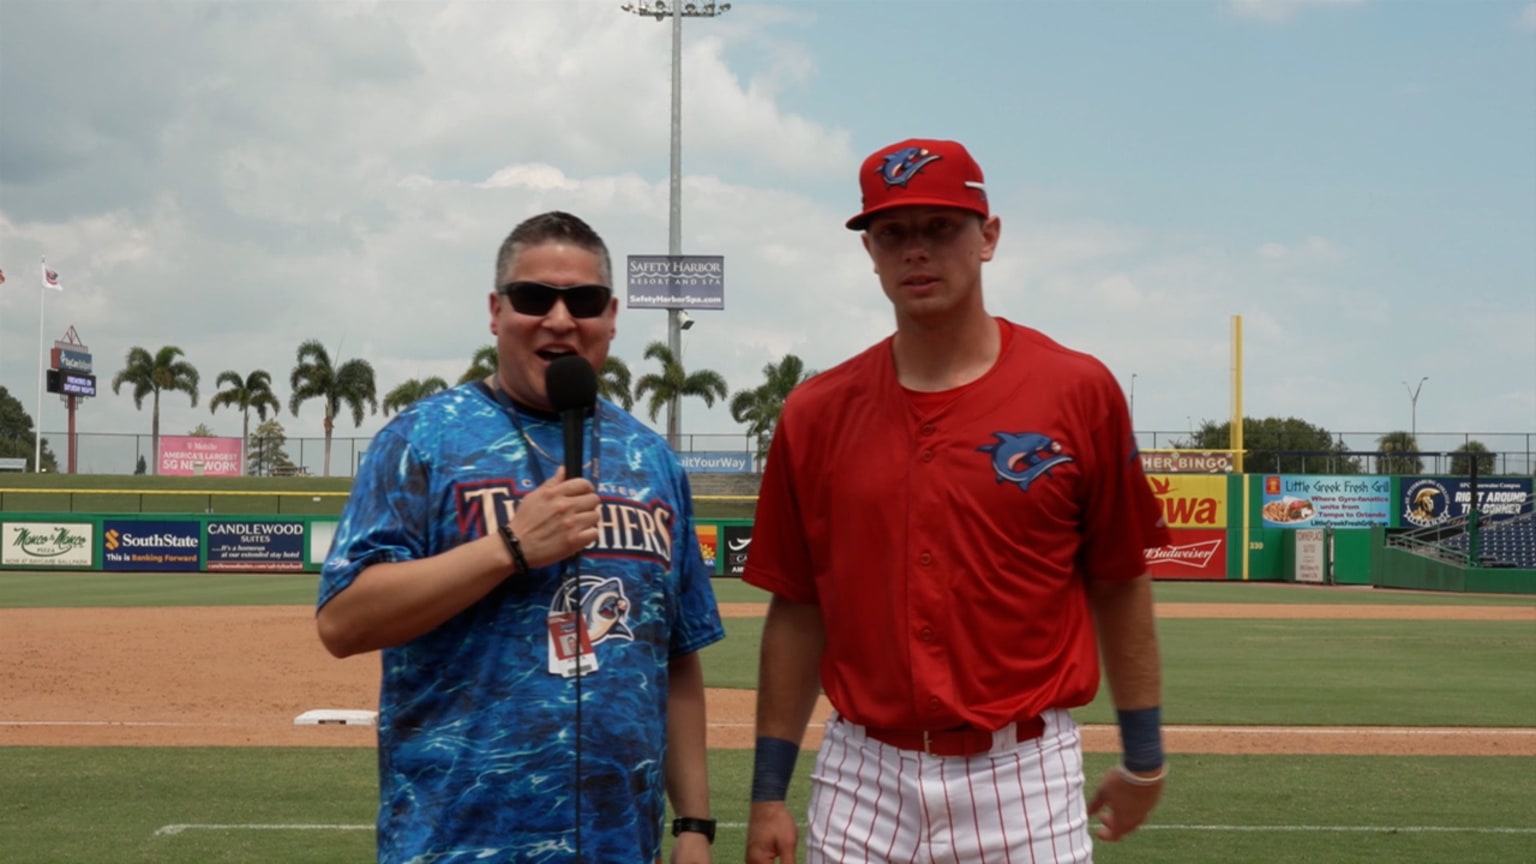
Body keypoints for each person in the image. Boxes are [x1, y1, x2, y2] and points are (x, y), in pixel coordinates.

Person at [743, 139, 1171, 864]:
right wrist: (767, 795)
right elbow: (797, 608)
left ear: (989, 237)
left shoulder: (1077, 391)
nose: (917, 251)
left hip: (1022, 774)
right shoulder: (815, 412)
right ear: (870, 252)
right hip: (860, 777)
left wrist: (1144, 757)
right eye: (893, 233)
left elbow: (1120, 580)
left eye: (940, 228)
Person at [316, 211, 725, 864]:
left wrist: (695, 827)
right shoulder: (422, 441)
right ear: (496, 310)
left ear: (612, 316)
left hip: (622, 846)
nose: (560, 319)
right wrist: (508, 547)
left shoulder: (654, 462)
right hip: (453, 845)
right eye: (534, 297)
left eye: (583, 301)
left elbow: (676, 658)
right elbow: (342, 621)